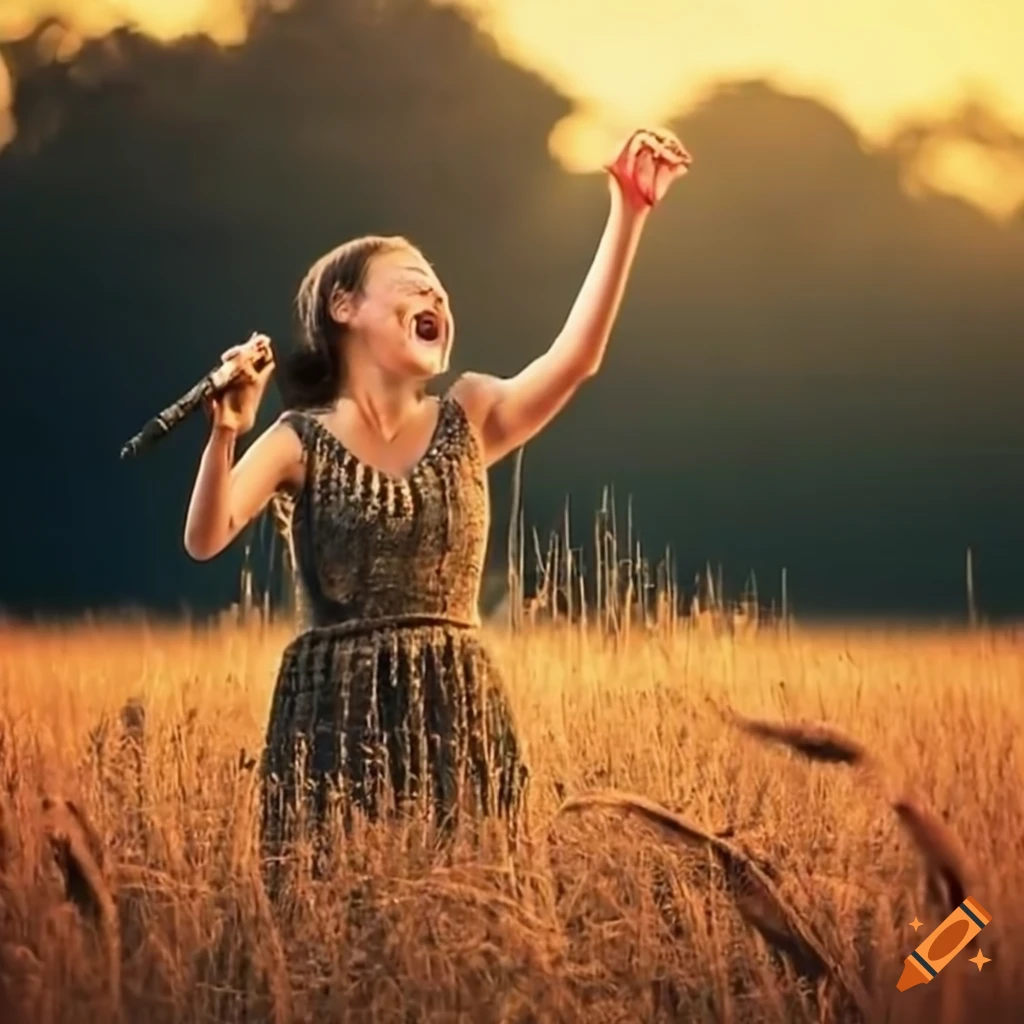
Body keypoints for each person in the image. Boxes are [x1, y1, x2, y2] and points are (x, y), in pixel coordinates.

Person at [182, 127, 691, 879]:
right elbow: (208, 536)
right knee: (334, 912)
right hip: (331, 711)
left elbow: (577, 357)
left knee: (474, 905)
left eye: (440, 288)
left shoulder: (472, 412)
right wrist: (225, 433)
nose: (436, 293)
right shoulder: (298, 439)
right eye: (414, 280)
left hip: (457, 696)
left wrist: (628, 212)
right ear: (344, 305)